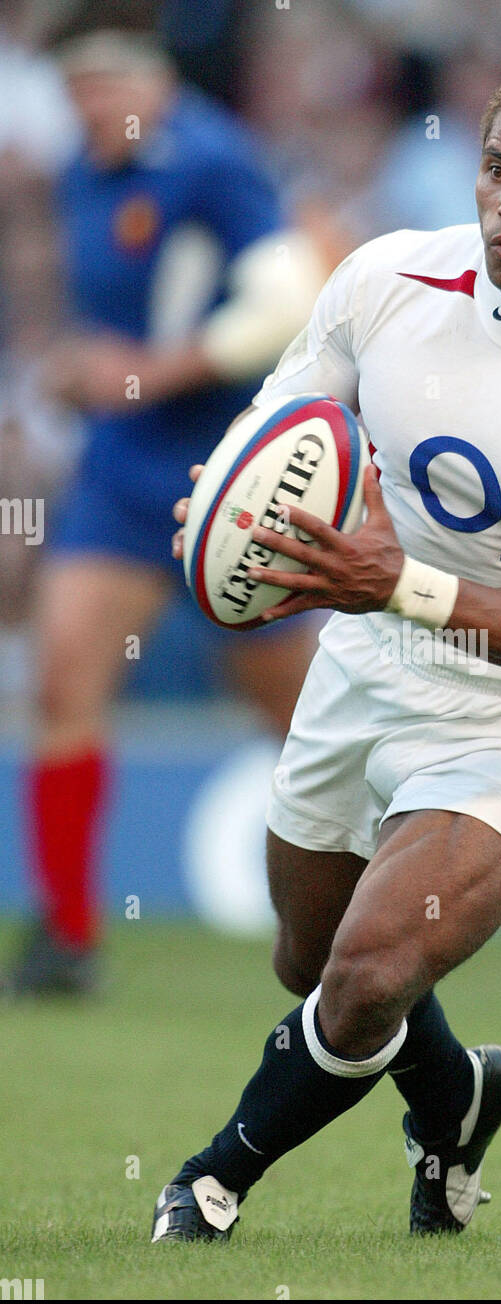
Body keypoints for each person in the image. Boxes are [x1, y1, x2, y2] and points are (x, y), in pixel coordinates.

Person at [152, 56, 501, 1241]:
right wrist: (225, 501)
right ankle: (460, 1095)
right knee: (307, 963)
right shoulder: (385, 276)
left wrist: (396, 582)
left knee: (365, 978)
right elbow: (282, 420)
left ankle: (209, 1182)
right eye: (496, 169)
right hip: (363, 664)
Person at [3, 30, 338, 998]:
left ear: (146, 84)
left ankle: (365, 911)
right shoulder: (83, 169)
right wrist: (78, 364)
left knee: (290, 708)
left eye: (98, 91)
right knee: (65, 676)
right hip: (120, 470)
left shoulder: (211, 159)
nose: (85, 111)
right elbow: (112, 313)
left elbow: (286, 303)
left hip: (225, 472)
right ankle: (67, 935)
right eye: (72, 93)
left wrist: (146, 375)